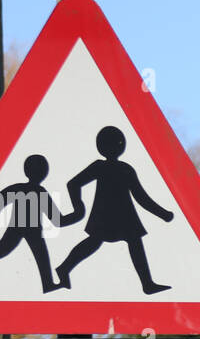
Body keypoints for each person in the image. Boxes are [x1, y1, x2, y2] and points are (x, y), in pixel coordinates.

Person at [54, 125, 174, 294]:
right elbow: (73, 184)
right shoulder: (106, 167)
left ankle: (147, 284)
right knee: (102, 241)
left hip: (122, 215)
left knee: (124, 241)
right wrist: (78, 207)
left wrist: (162, 213)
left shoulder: (123, 169)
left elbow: (141, 197)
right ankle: (64, 268)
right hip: (107, 214)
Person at [0, 154, 67, 293]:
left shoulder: (34, 190)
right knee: (4, 250)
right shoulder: (34, 190)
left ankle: (48, 284)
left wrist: (78, 215)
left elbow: (57, 219)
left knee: (40, 255)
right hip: (19, 227)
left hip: (31, 229)